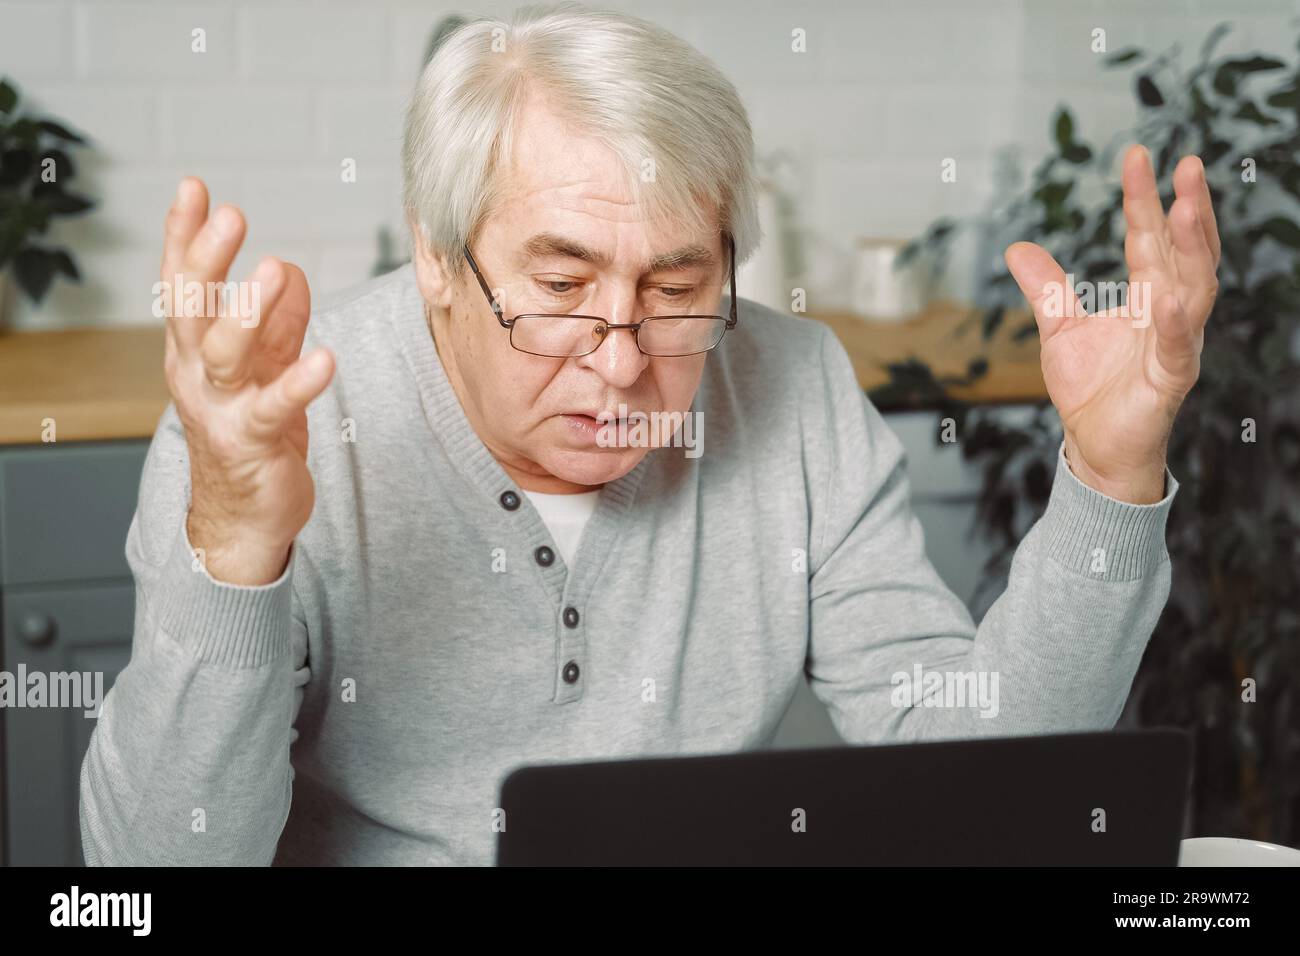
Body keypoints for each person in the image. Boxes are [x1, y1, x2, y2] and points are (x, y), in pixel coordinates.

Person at [80, 4, 1219, 866]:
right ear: (435, 253)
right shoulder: (272, 429)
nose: (622, 357)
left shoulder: (795, 384)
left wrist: (1112, 478)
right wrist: (233, 555)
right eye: (561, 284)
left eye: (676, 286)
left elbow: (989, 779)